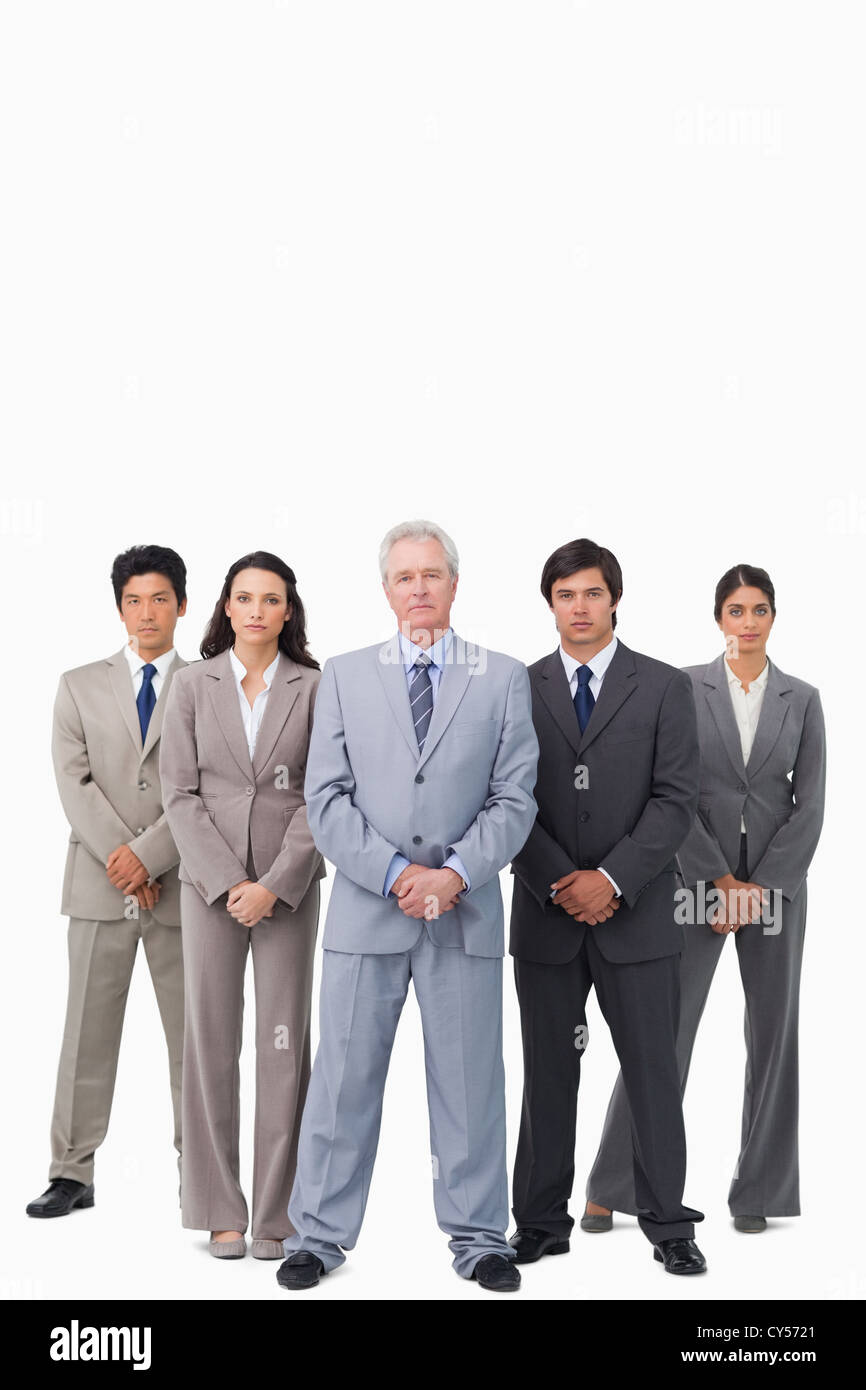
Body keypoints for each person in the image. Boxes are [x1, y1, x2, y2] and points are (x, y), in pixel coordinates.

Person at [276, 520, 538, 1292]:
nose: (418, 589)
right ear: (385, 589)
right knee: (343, 1082)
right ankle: (317, 1237)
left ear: (455, 584)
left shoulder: (502, 677)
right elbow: (325, 799)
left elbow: (514, 797)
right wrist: (397, 875)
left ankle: (480, 1237)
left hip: (465, 915)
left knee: (470, 1084)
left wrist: (453, 874)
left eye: (432, 575)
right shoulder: (347, 677)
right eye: (404, 577)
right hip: (367, 915)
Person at [585, 564, 825, 1233]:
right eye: (735, 610)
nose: (747, 622)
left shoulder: (801, 699)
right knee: (661, 1031)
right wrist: (717, 880)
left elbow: (810, 805)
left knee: (774, 1036)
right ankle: (613, 1182)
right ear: (718, 618)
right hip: (693, 879)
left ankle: (760, 1193)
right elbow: (669, 790)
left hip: (777, 885)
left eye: (759, 610)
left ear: (773, 618)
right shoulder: (684, 689)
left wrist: (762, 888)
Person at [509, 537, 707, 1276]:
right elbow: (505, 798)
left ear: (614, 598)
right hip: (546, 915)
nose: (580, 607)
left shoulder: (661, 687)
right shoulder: (516, 689)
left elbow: (676, 799)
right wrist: (564, 880)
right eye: (566, 595)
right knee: (548, 1072)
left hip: (640, 916)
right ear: (550, 603)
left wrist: (612, 880)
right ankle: (538, 1221)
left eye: (592, 593)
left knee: (654, 1071)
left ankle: (669, 1225)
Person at [159, 551, 324, 1260]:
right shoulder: (192, 685)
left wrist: (276, 880)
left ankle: (278, 1213)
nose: (257, 610)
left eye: (272, 599)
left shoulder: (315, 687)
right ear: (225, 607)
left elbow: (325, 793)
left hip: (288, 887)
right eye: (244, 597)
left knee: (285, 1045)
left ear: (288, 611)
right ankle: (219, 1206)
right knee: (211, 1043)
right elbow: (178, 793)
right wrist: (229, 882)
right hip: (208, 887)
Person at [27, 545, 189, 1219]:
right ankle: (71, 1171)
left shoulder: (210, 684)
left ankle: (202, 1170)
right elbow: (74, 782)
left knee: (196, 1036)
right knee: (86, 1031)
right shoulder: (78, 684)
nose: (146, 612)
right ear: (118, 606)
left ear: (181, 603)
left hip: (184, 885)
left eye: (159, 598)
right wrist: (125, 858)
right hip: (98, 884)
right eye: (133, 600)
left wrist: (150, 858)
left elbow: (208, 787)